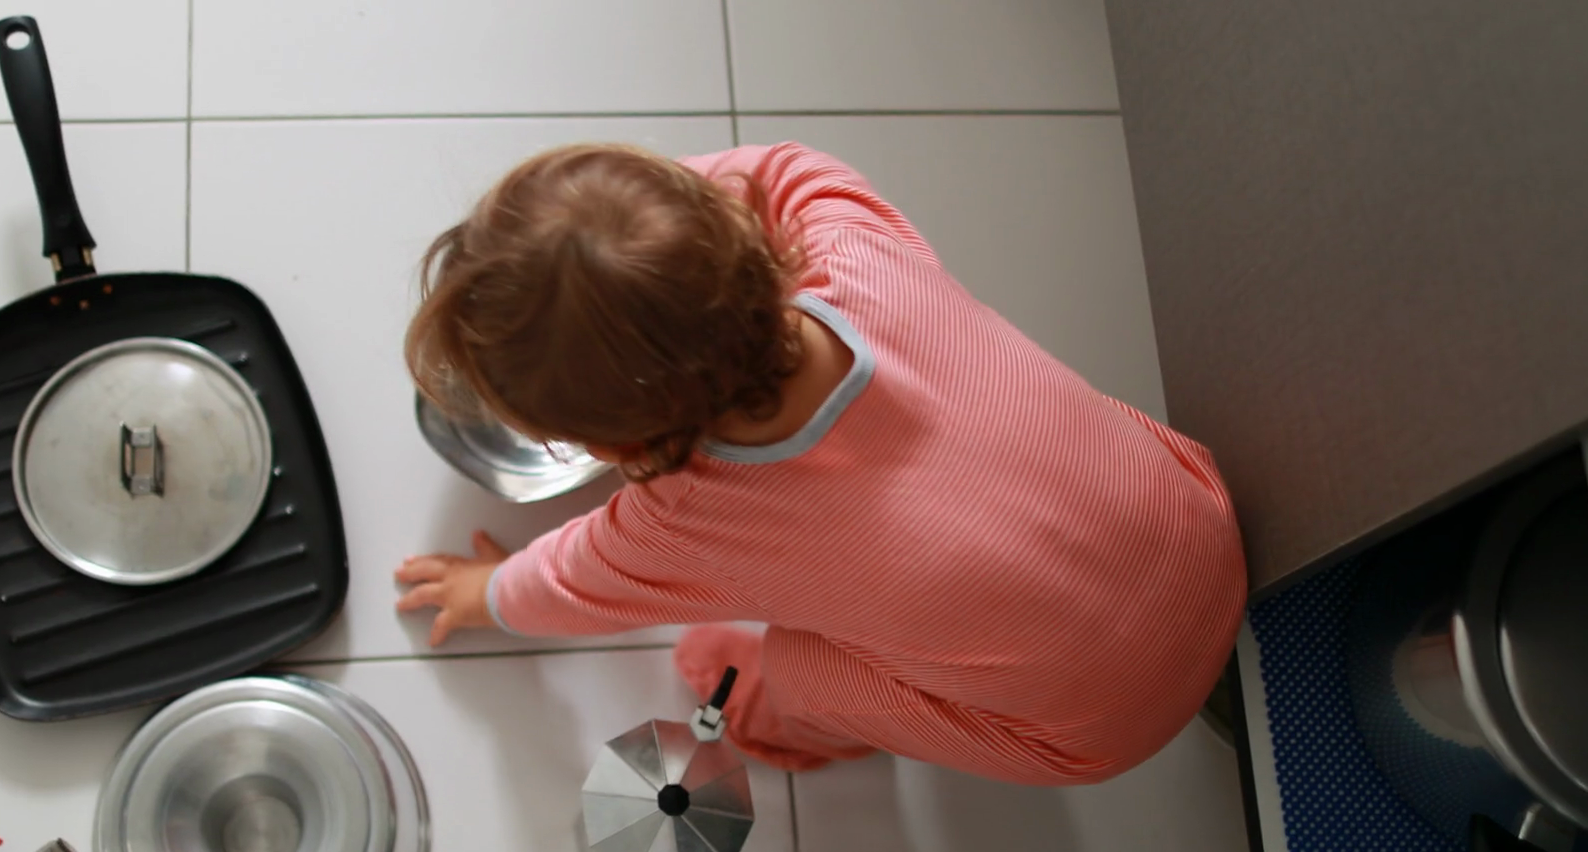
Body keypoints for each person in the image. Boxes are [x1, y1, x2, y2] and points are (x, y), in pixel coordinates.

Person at [393, 142, 1246, 784]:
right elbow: (779, 162)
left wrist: (485, 594)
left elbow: (570, 584)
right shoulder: (848, 237)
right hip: (1201, 522)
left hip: (1089, 730)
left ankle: (787, 721)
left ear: (614, 450)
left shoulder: (689, 521)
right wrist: (640, 247)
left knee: (778, 661)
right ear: (733, 216)